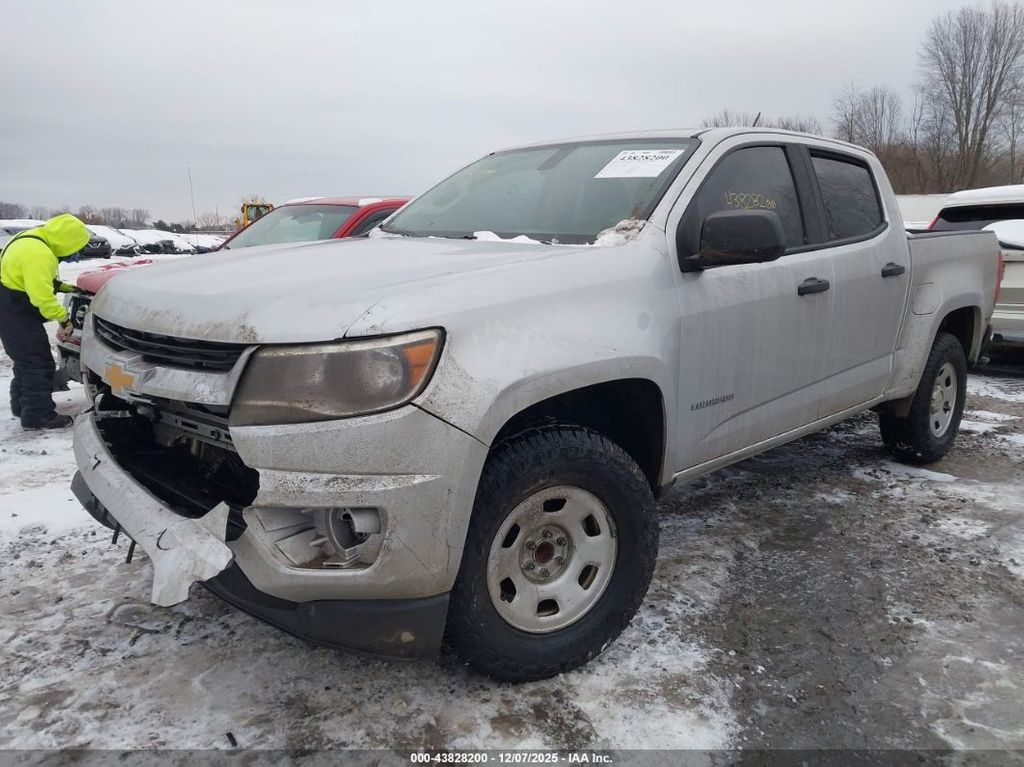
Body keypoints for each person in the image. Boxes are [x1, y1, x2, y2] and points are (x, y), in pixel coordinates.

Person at [0, 213, 89, 429]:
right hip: (15, 310)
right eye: (75, 248)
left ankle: (21, 406)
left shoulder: (31, 238)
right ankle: (38, 415)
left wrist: (63, 287)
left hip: (8, 305)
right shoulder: (39, 253)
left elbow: (27, 276)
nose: (74, 255)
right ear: (67, 242)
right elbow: (41, 297)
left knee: (26, 360)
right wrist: (64, 318)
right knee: (38, 363)